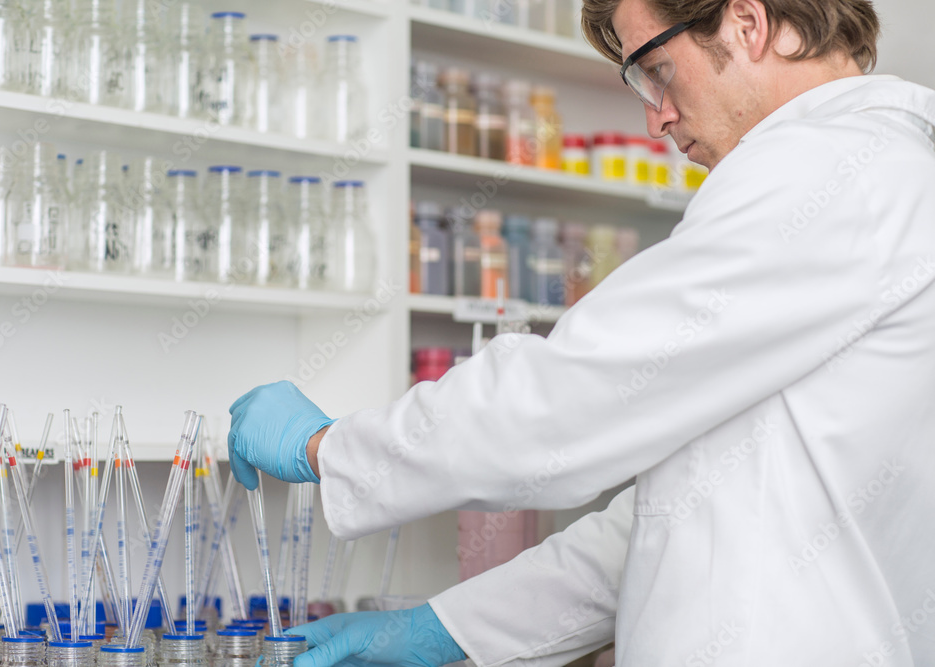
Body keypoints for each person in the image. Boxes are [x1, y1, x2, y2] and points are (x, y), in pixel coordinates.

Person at [228, 0, 935, 664]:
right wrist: (447, 629)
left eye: (657, 70)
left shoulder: (829, 170)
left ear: (748, 23)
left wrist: (329, 447)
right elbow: (680, 514)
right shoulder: (874, 169)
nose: (657, 118)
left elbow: (568, 394)